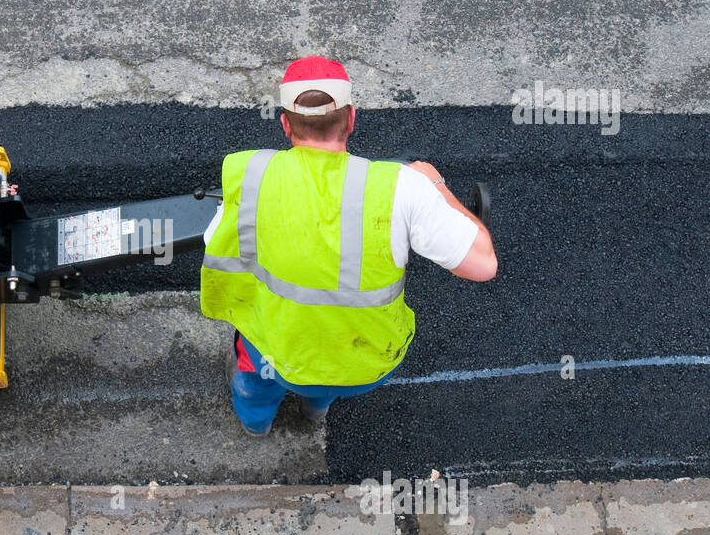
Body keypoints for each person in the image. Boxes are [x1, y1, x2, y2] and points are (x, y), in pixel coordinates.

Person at [200, 55, 497, 436]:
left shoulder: (252, 175)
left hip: (278, 352)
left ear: (285, 125)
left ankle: (256, 425)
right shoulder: (403, 188)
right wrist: (435, 183)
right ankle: (315, 412)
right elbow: (484, 264)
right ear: (352, 119)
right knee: (327, 387)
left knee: (255, 383)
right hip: (363, 361)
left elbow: (216, 242)